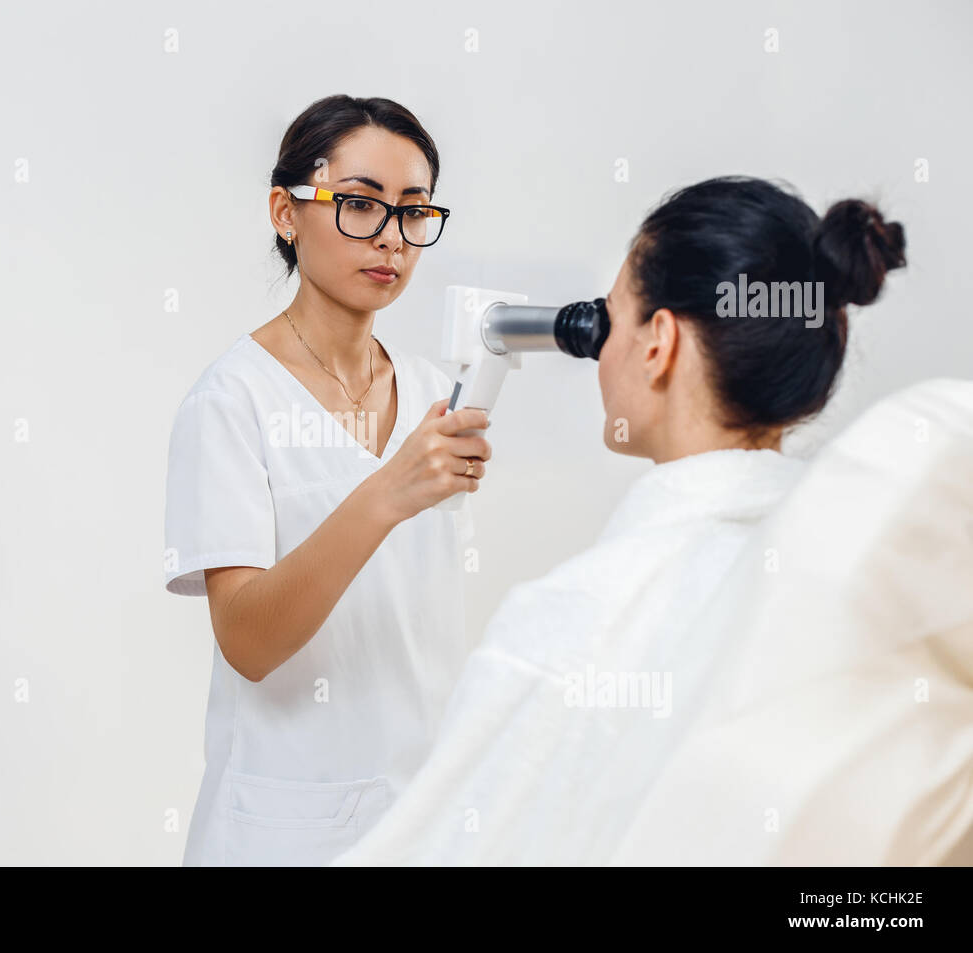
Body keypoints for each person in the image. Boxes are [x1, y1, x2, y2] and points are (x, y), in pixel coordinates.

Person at [331, 174, 908, 865]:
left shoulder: (576, 625)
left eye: (612, 319)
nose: (599, 350)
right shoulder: (871, 581)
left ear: (659, 343)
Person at [162, 94, 490, 866]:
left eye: (413, 213)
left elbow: (421, 626)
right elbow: (247, 639)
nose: (391, 240)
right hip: (283, 831)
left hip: (421, 819)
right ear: (285, 211)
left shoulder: (432, 392)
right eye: (358, 205)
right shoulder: (231, 401)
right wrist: (385, 495)